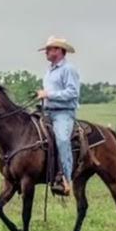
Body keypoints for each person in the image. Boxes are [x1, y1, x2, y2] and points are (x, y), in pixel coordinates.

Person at [36, 36, 81, 196]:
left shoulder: (69, 69)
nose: (46, 52)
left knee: (62, 139)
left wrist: (48, 94)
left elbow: (72, 92)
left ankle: (66, 180)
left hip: (63, 113)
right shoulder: (49, 71)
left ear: (59, 51)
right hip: (48, 111)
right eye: (47, 49)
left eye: (50, 49)